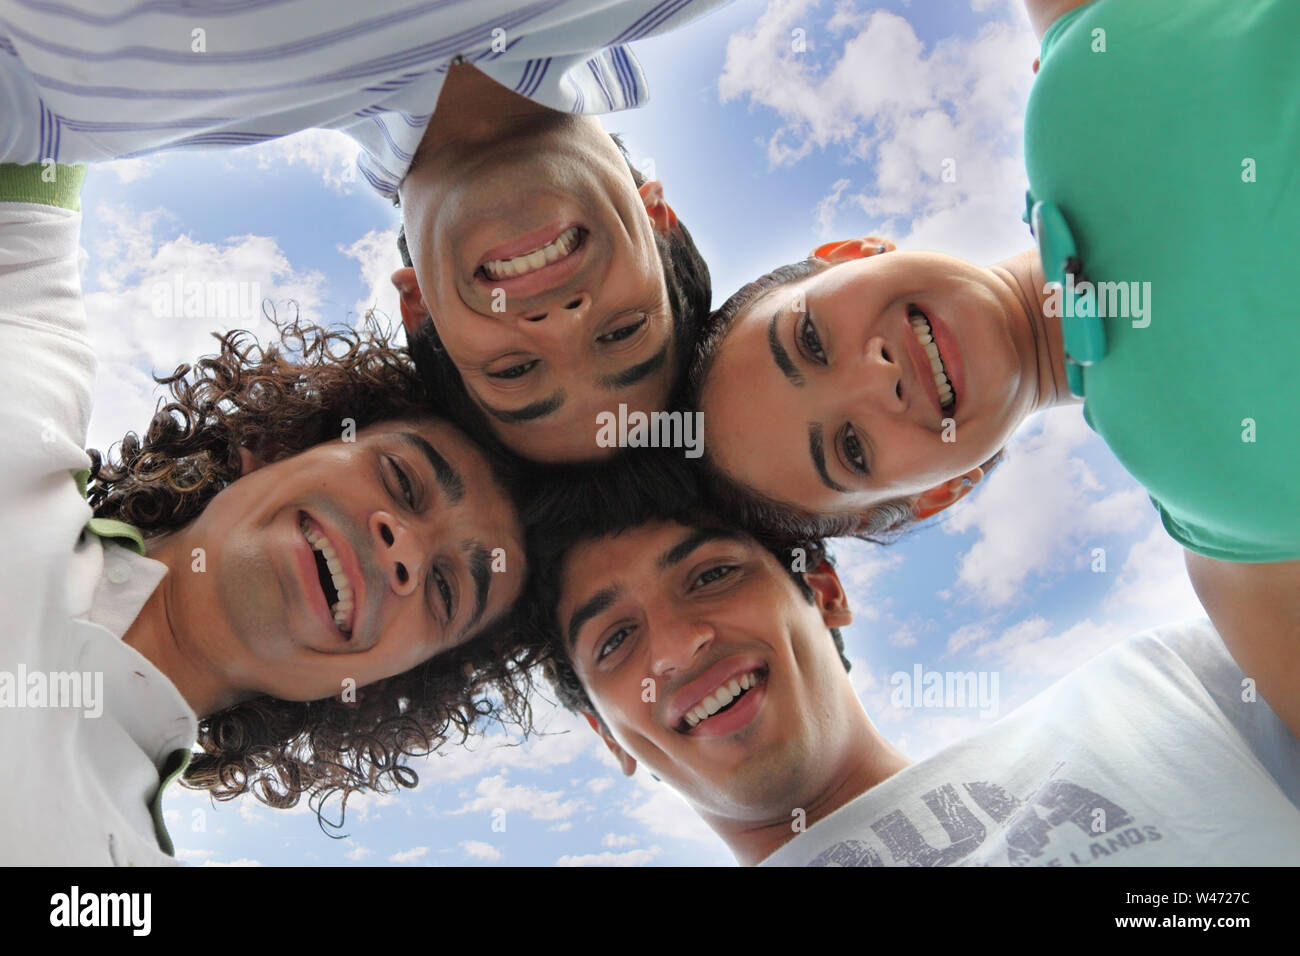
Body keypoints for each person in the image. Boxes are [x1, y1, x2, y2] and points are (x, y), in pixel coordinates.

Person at [687, 0, 1300, 732]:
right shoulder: (1231, 545)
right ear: (940, 493)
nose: (875, 376)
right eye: (851, 448)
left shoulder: (1085, 51)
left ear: (851, 252)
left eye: (812, 341)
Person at [0, 162, 536, 865]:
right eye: (402, 481)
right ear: (281, 443)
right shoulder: (23, 364)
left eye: (443, 589)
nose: (404, 550)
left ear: (374, 688)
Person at [0, 0, 716, 462]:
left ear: (420, 312)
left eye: (514, 369)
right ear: (661, 222)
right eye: (622, 332)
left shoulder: (72, 104)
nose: (557, 323)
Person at [520, 457, 1300, 866]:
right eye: (615, 641)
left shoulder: (1170, 692)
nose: (678, 644)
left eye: (712, 575)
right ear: (606, 734)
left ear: (822, 591)